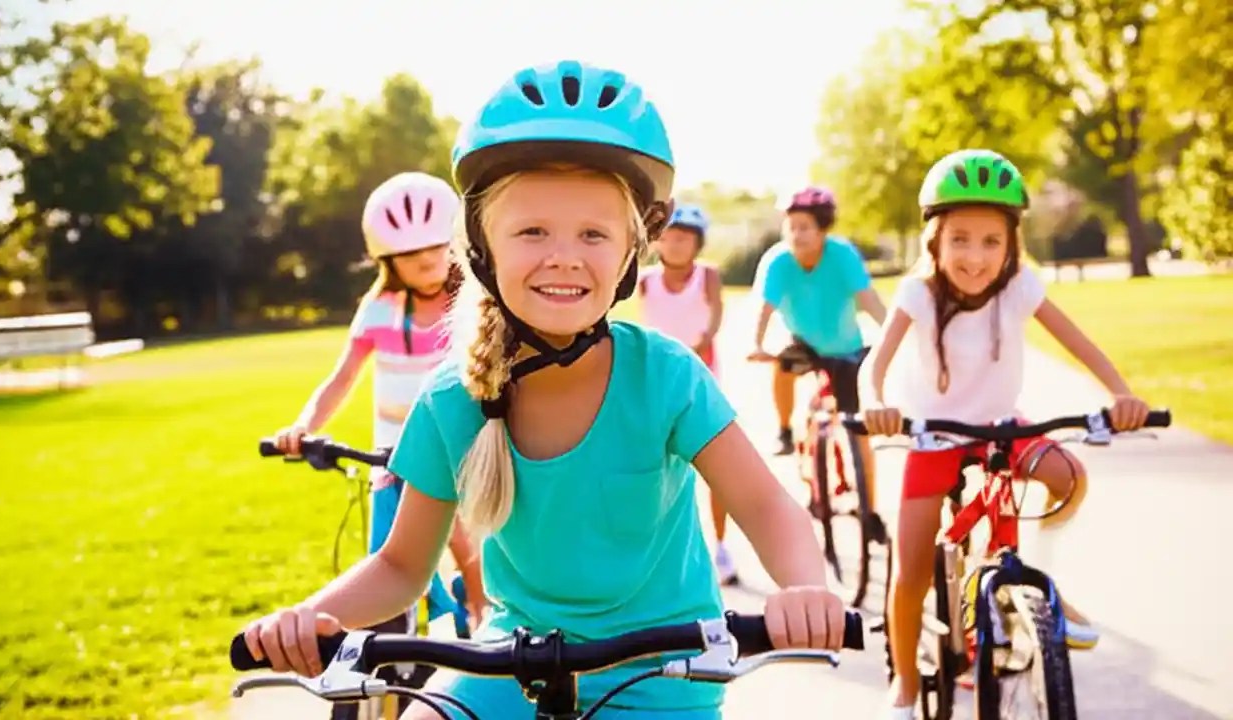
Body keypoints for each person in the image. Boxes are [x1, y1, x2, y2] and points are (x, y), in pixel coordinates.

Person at [241, 59, 846, 719]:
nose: (564, 255)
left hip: (664, 677)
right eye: (532, 231)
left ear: (628, 254)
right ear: (481, 248)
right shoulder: (452, 399)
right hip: (510, 665)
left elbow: (762, 503)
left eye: (594, 233)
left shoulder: (666, 376)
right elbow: (402, 566)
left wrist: (805, 589)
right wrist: (306, 619)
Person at [858, 148, 1150, 717]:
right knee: (911, 566)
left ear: (1011, 244)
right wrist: (875, 403)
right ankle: (905, 687)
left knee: (1069, 477)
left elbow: (1079, 342)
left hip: (999, 429)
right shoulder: (918, 292)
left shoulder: (1019, 285)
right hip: (934, 436)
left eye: (992, 241)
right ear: (935, 241)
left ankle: (1044, 589)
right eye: (960, 239)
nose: (975, 256)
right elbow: (877, 363)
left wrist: (1119, 392)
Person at [269, 171, 485, 636]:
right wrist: (303, 425)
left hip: (462, 454)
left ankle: (480, 611)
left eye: (435, 247)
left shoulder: (472, 306)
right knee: (383, 564)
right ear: (388, 259)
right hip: (392, 460)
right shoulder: (379, 309)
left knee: (474, 560)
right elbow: (343, 376)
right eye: (410, 253)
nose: (426, 260)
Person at [747, 186, 887, 517]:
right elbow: (764, 309)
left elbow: (869, 300)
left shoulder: (843, 255)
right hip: (804, 345)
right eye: (791, 226)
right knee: (782, 364)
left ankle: (870, 509)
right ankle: (783, 429)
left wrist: (890, 335)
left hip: (847, 349)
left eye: (805, 226)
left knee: (858, 428)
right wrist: (757, 343)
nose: (796, 234)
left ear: (823, 229)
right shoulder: (778, 261)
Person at [637, 203, 737, 584]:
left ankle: (722, 545)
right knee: (656, 466)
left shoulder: (707, 275)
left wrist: (701, 341)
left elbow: (714, 315)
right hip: (656, 381)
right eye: (668, 236)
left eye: (685, 238)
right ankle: (656, 552)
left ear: (697, 243)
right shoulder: (646, 279)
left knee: (715, 466)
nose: (676, 244)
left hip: (701, 377)